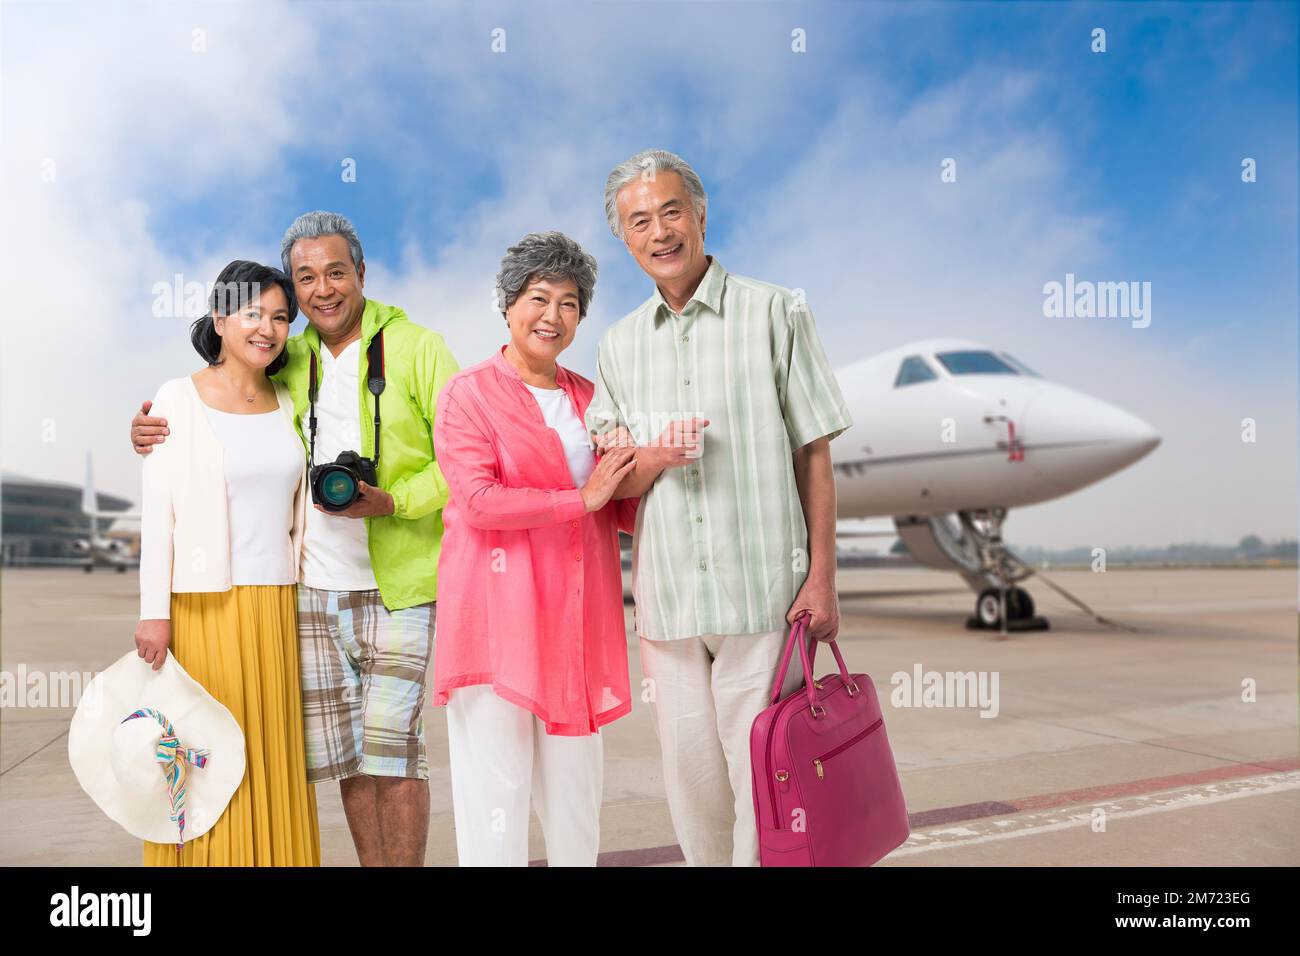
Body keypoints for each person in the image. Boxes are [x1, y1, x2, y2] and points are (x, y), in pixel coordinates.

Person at [131, 212, 459, 866]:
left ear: (361, 274)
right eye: (305, 279)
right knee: (345, 762)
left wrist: (394, 500)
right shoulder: (288, 363)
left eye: (336, 272)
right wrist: (147, 431)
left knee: (394, 753)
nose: (322, 289)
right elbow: (211, 422)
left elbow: (460, 454)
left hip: (398, 586)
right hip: (308, 592)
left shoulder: (419, 347)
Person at [587, 149, 854, 867]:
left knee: (768, 780)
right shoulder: (617, 346)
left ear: (701, 216)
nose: (659, 232)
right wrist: (650, 458)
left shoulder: (776, 311)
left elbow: (813, 451)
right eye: (638, 221)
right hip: (670, 601)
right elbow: (618, 481)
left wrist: (821, 576)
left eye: (672, 212)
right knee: (694, 787)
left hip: (764, 590)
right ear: (625, 238)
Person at [431, 232, 650, 866]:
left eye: (570, 303)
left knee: (577, 802)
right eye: (538, 297)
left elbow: (621, 504)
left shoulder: (593, 398)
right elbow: (477, 500)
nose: (552, 316)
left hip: (575, 628)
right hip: (497, 627)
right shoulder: (468, 394)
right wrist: (578, 500)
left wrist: (653, 465)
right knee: (495, 799)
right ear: (507, 304)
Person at [134, 259, 319, 866]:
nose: (266, 328)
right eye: (251, 313)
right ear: (219, 318)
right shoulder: (175, 399)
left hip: (278, 605)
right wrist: (153, 614)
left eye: (279, 317)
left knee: (270, 756)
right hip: (203, 609)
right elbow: (157, 514)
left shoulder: (292, 399)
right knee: (201, 758)